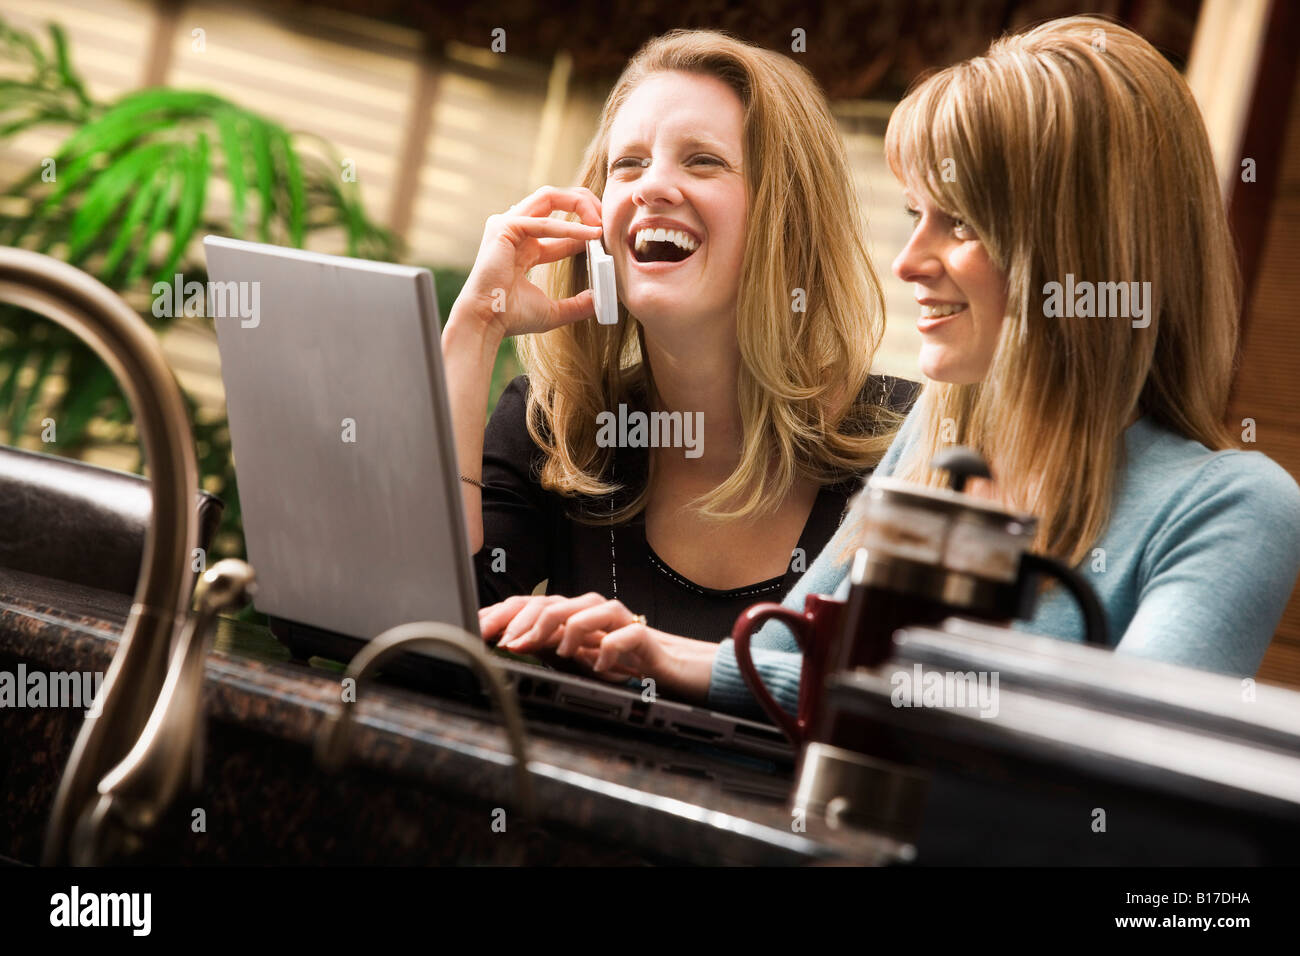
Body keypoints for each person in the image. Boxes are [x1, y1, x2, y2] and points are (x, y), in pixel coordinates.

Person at [499, 15, 1300, 719]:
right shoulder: (948, 434)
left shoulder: (1235, 508)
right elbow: (814, 670)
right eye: (917, 215)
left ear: (1077, 251)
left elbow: (1112, 762)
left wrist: (685, 659)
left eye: (959, 223)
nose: (910, 260)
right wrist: (652, 651)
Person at [447, 30, 916, 654]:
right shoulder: (556, 425)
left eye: (703, 161)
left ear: (788, 220)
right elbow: (426, 641)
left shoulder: (908, 442)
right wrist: (474, 327)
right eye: (628, 164)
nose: (651, 186)